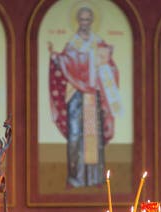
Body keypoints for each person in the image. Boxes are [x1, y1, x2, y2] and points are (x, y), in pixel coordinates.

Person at [48, 6, 122, 188]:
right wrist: (56, 57)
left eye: (88, 19)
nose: (85, 23)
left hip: (92, 97)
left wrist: (104, 66)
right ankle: (76, 178)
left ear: (92, 22)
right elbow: (67, 62)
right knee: (75, 137)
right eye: (82, 19)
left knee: (92, 137)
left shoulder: (98, 42)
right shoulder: (73, 43)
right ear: (77, 21)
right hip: (75, 96)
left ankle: (95, 178)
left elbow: (110, 66)